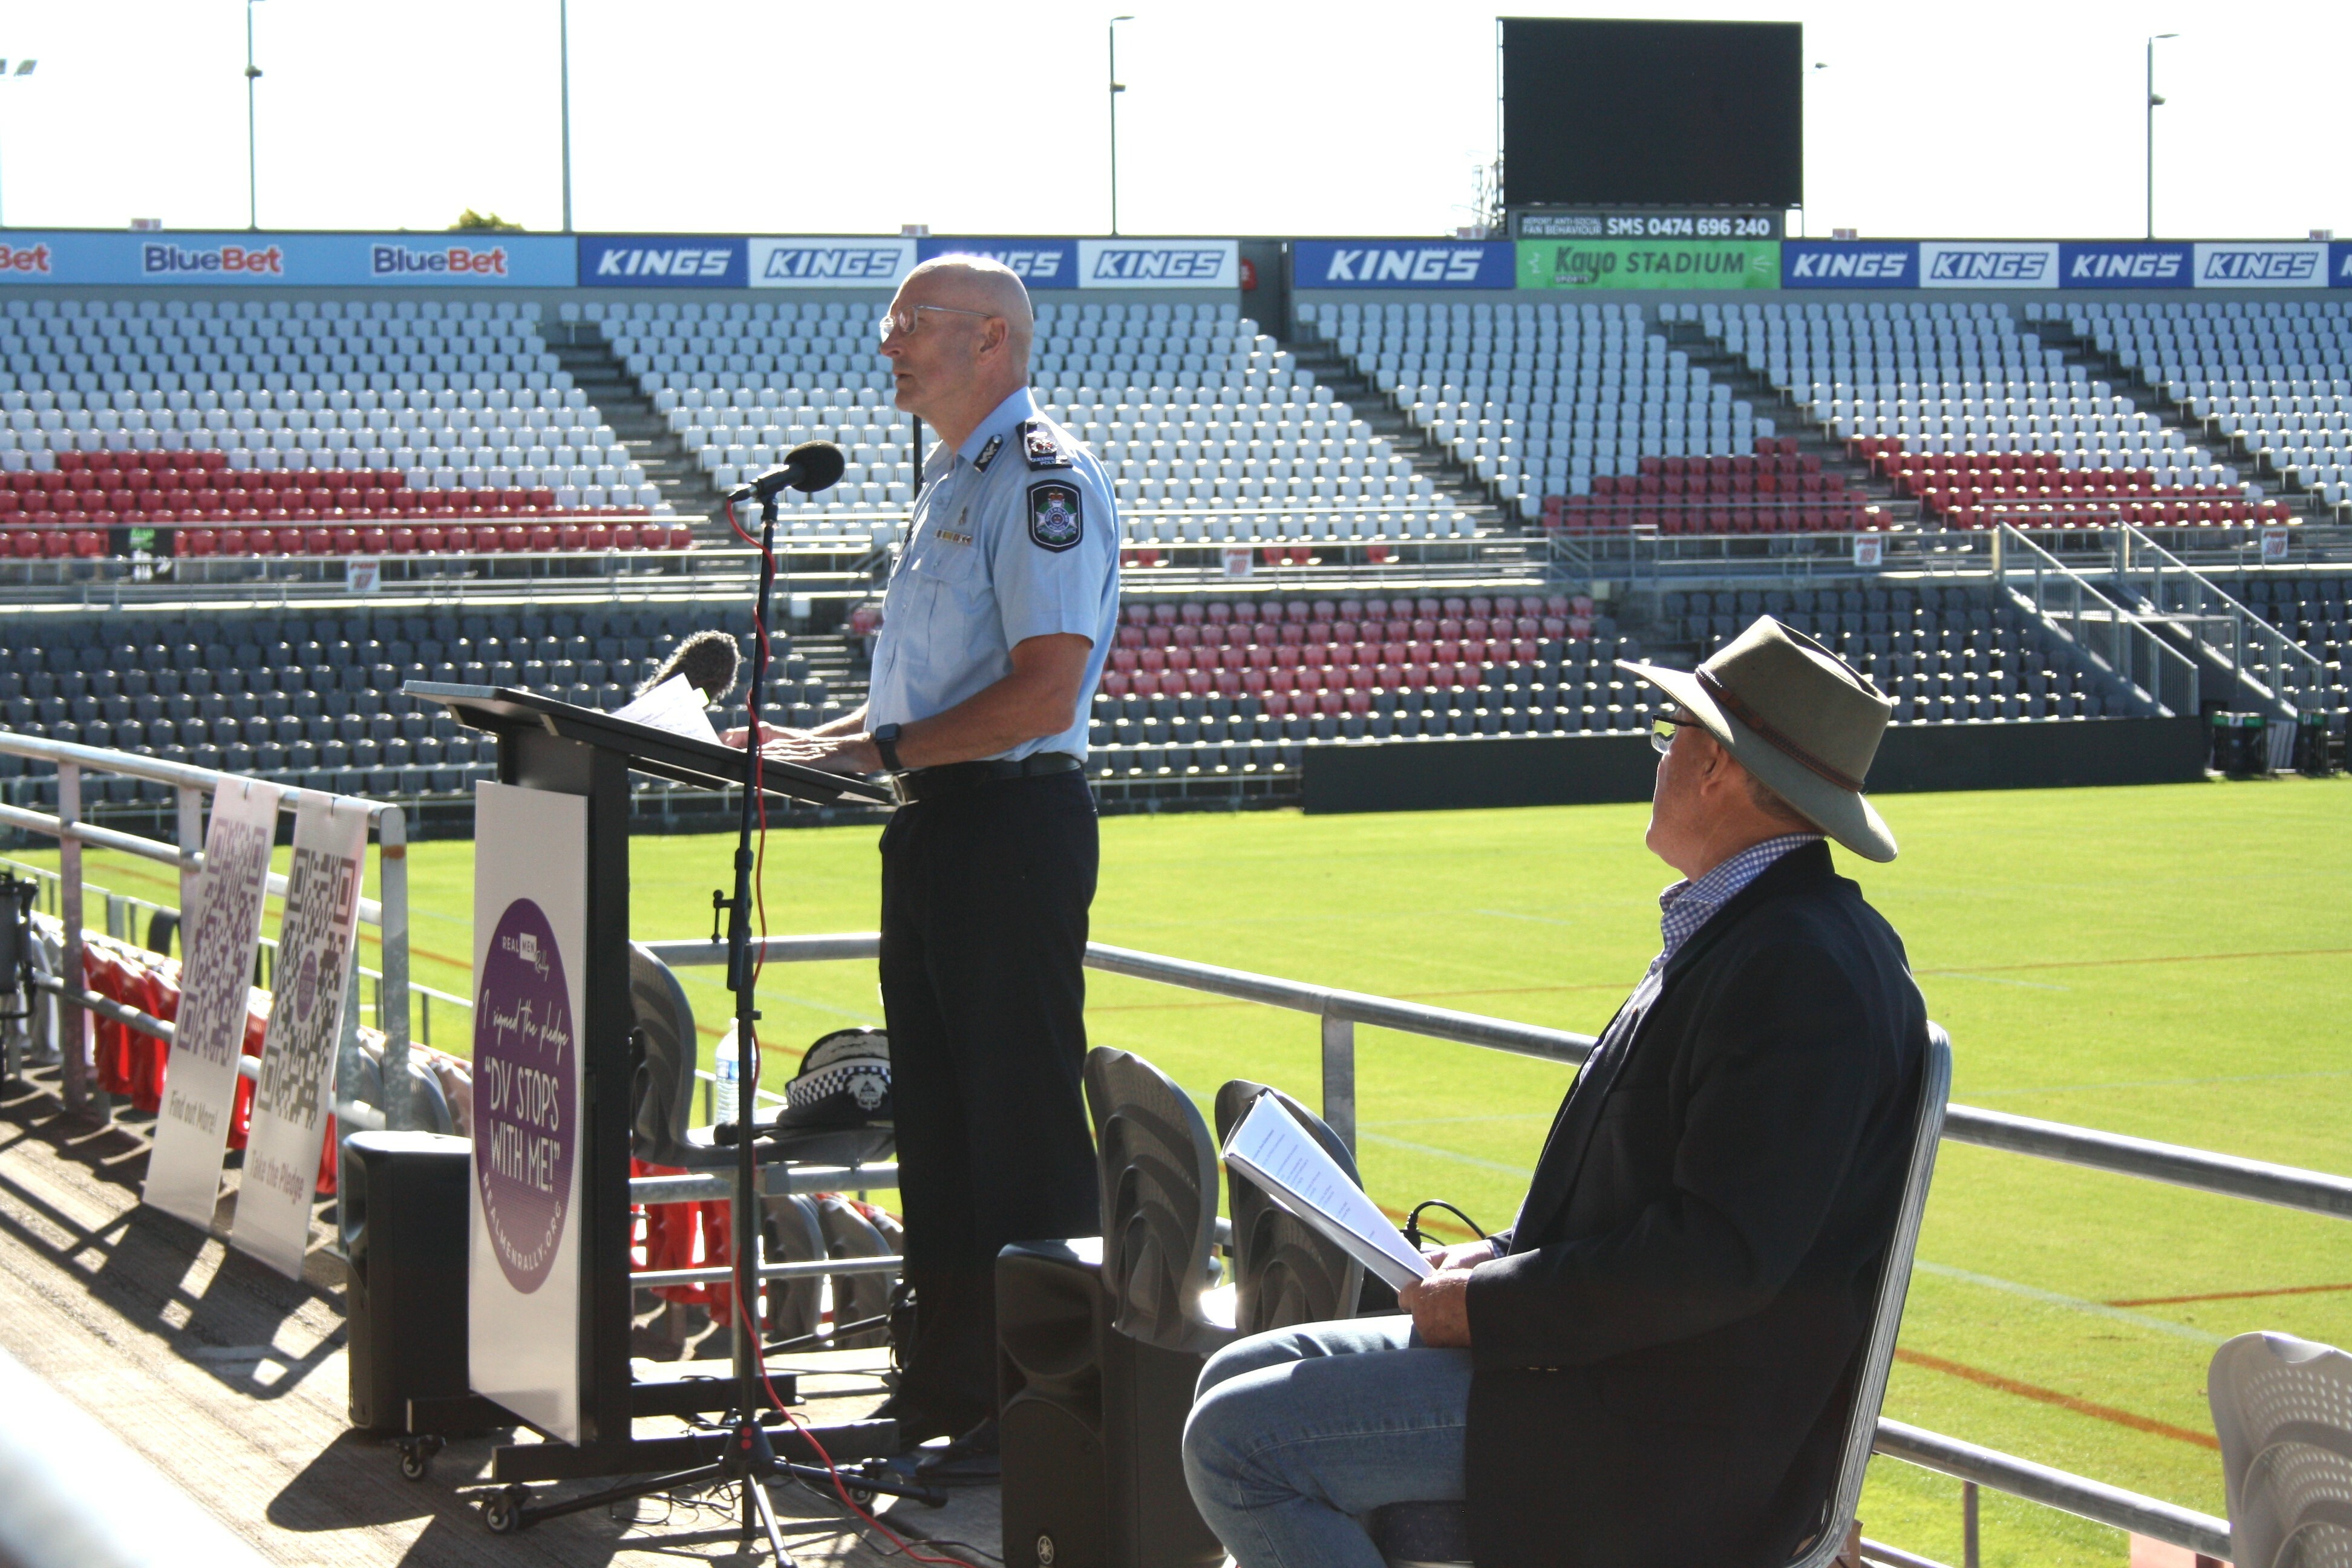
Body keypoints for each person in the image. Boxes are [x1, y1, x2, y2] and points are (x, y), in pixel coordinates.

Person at [1182, 616, 1930, 1568]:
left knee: (1237, 1443)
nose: (1658, 757)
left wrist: (1493, 1307)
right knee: (1233, 1378)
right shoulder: (1767, 934)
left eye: (1671, 735)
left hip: (1658, 1433)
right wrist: (1493, 1263)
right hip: (1620, 1382)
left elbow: (1718, 1259)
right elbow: (1666, 1206)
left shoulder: (1795, 964)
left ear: (1717, 767)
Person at [733, 256, 1119, 1473]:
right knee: (942, 1131)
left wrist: (878, 749)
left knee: (1019, 1127)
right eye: (890, 321)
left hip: (1009, 827)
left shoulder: (1042, 479)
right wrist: (834, 746)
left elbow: (1043, 693)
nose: (888, 342)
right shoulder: (954, 478)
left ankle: (1045, 1412)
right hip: (940, 827)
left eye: (911, 322)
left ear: (992, 340)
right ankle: (949, 1392)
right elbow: (934, 698)